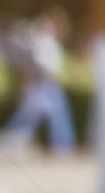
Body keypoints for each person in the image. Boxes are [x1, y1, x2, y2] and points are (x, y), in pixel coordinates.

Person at [4, 9, 76, 153]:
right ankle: (10, 143)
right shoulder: (42, 41)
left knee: (56, 118)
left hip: (48, 86)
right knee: (28, 118)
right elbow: (37, 65)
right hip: (40, 86)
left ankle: (63, 147)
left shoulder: (49, 42)